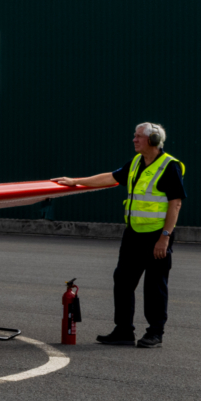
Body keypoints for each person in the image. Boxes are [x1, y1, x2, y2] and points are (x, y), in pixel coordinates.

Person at [53, 122, 185, 348]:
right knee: (123, 282)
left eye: (138, 137)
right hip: (133, 234)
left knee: (155, 287)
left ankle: (155, 333)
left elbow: (176, 203)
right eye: (134, 136)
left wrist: (165, 237)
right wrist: (77, 181)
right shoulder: (136, 162)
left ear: (152, 140)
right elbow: (111, 177)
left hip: (156, 237)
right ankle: (123, 331)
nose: (134, 140)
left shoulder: (168, 166)